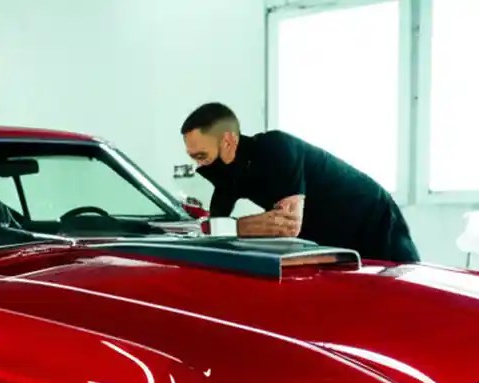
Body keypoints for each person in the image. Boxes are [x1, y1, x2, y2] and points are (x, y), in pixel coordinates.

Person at [180, 102, 420, 263]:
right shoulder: (228, 178)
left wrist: (227, 227)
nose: (201, 166)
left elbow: (287, 224)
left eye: (202, 156)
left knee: (408, 293)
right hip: (332, 236)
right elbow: (213, 228)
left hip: (372, 218)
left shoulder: (276, 148)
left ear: (228, 141)